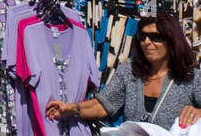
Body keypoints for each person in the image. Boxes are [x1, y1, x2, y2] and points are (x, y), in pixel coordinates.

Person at [46, 12, 201, 129]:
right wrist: (72, 109)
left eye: (156, 37)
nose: (147, 42)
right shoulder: (130, 72)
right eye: (143, 36)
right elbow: (103, 106)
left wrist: (198, 113)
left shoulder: (192, 78)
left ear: (172, 41)